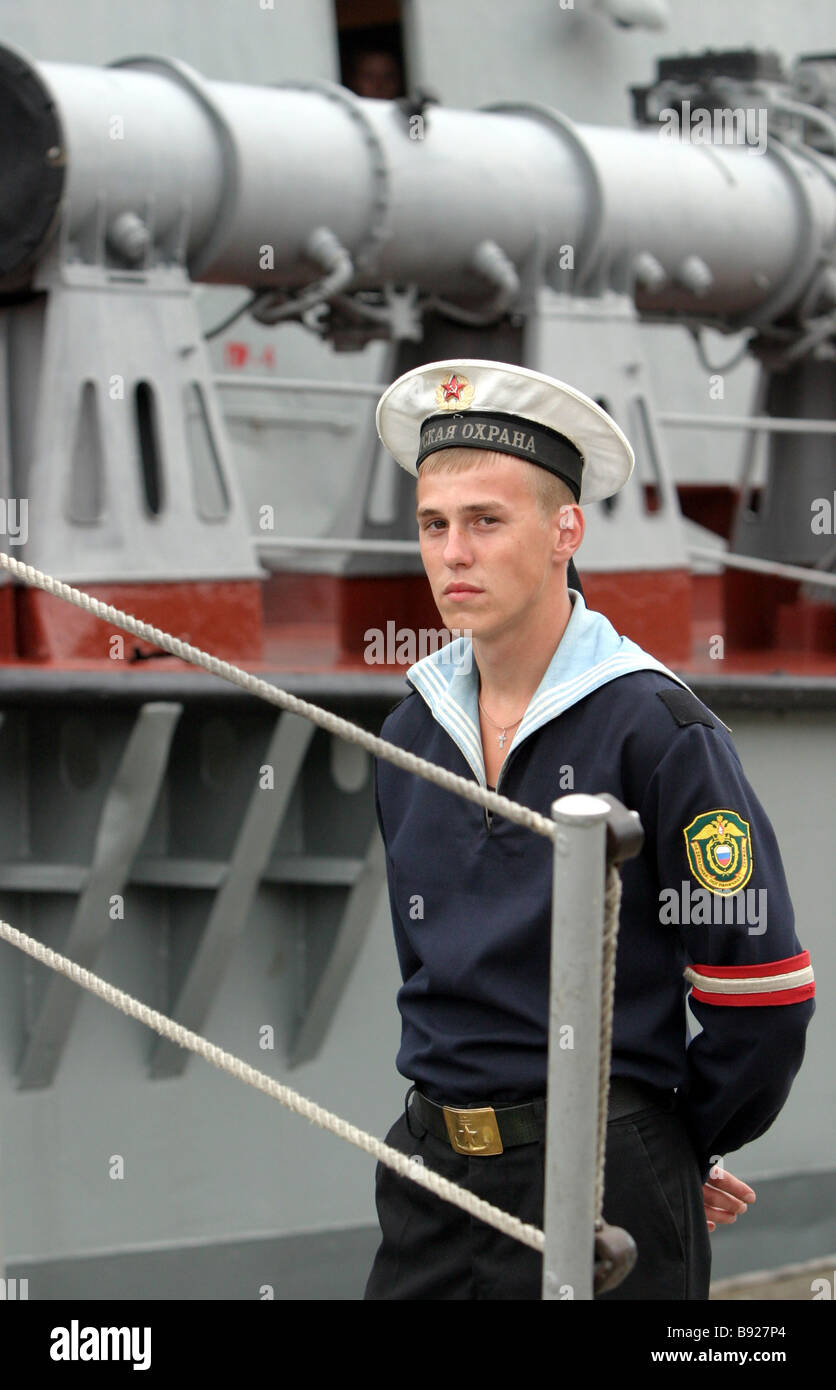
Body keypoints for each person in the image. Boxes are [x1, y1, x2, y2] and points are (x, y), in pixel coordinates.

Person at [363, 358, 815, 1301]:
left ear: (565, 529)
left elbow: (763, 994)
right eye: (433, 525)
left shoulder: (658, 730)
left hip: (607, 1190)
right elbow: (435, 977)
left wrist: (671, 1145)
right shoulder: (409, 733)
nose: (453, 554)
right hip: (431, 1184)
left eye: (486, 522)